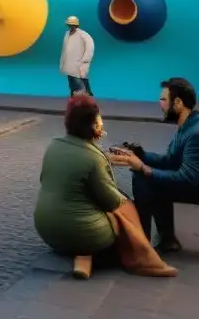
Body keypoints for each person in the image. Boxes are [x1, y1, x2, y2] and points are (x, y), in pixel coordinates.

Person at [35, 96, 177, 278]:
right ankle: (96, 255)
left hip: (47, 231)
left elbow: (47, 179)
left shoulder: (53, 146)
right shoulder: (94, 158)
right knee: (123, 213)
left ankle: (83, 256)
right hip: (81, 233)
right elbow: (113, 201)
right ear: (93, 125)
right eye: (99, 119)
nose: (102, 122)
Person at [109, 78, 199, 251]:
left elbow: (186, 178)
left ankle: (141, 245)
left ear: (177, 103)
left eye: (163, 100)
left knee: (144, 180)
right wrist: (141, 155)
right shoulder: (191, 122)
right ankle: (165, 239)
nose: (160, 104)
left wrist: (143, 167)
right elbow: (171, 161)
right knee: (148, 176)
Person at [60, 16, 95, 96]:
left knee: (80, 82)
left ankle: (86, 98)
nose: (71, 26)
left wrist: (85, 59)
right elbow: (65, 48)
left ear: (76, 25)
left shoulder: (83, 35)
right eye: (69, 25)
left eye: (72, 25)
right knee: (72, 83)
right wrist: (63, 61)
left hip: (79, 63)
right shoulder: (67, 34)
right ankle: (74, 98)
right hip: (69, 64)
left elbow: (90, 47)